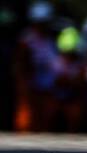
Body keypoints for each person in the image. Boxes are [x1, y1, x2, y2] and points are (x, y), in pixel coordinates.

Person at [14, 2, 58, 132]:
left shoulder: (50, 40)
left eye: (44, 23)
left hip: (47, 86)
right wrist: (24, 84)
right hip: (31, 86)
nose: (42, 26)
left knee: (45, 118)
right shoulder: (26, 40)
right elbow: (20, 64)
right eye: (39, 23)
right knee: (27, 119)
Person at [51, 25, 87, 132]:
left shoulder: (79, 64)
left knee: (75, 112)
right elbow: (56, 81)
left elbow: (81, 82)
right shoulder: (56, 62)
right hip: (57, 97)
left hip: (72, 98)